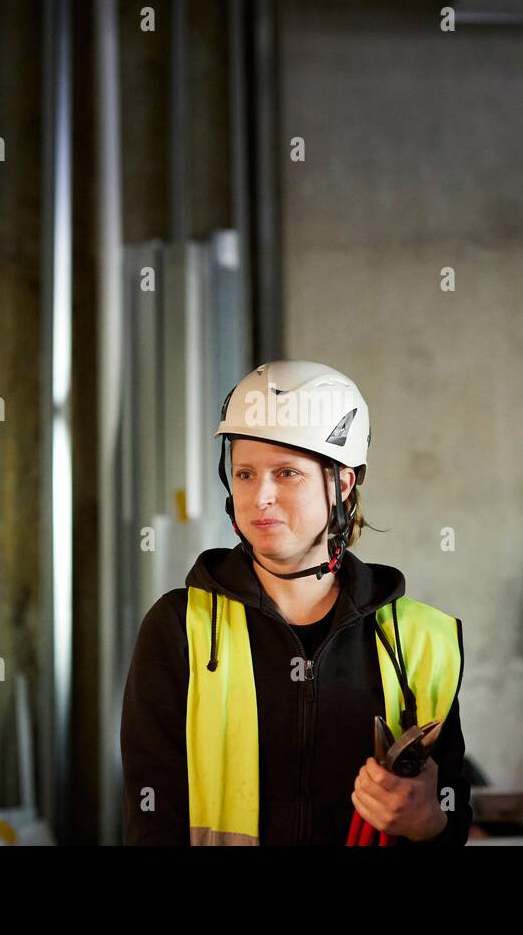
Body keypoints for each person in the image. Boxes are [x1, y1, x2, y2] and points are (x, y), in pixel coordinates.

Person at [120, 360, 471, 845]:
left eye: (286, 473)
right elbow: (150, 821)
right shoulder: (181, 627)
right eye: (244, 473)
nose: (260, 496)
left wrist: (429, 824)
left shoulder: (422, 641)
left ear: (342, 485)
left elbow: (452, 816)